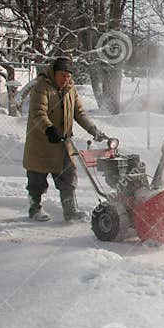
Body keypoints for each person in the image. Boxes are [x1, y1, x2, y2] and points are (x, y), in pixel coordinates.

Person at [23, 57, 106, 222]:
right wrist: (49, 129)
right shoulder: (42, 88)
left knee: (68, 176)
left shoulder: (70, 89)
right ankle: (35, 209)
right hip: (42, 142)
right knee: (37, 178)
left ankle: (70, 211)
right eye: (62, 75)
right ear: (53, 73)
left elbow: (79, 113)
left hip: (63, 143)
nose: (65, 79)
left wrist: (93, 129)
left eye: (68, 75)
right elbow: (38, 113)